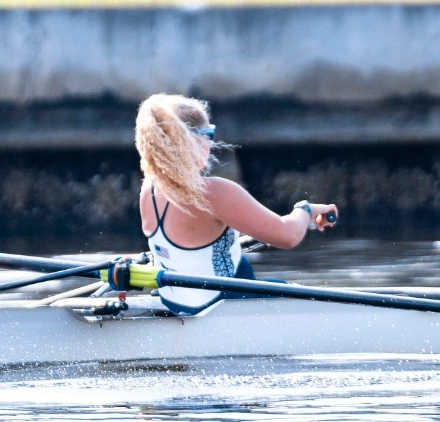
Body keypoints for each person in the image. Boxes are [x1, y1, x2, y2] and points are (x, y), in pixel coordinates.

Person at [135, 94, 337, 315]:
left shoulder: (149, 192)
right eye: (208, 134)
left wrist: (298, 222)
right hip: (222, 310)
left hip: (178, 307)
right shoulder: (213, 193)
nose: (210, 143)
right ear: (188, 139)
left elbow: (196, 251)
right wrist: (304, 210)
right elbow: (288, 235)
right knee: (295, 293)